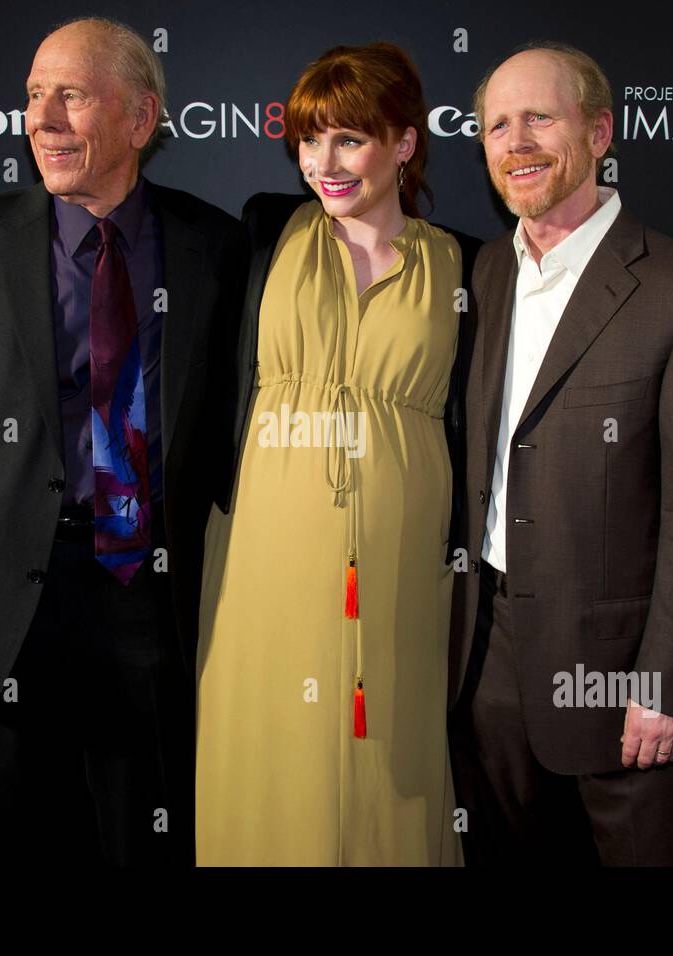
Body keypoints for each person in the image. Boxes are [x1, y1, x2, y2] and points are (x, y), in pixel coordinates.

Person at [0, 16, 243, 866]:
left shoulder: (217, 246)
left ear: (140, 119)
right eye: (32, 97)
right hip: (6, 604)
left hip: (153, 608)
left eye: (70, 96)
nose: (41, 118)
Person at [448, 41, 673, 865]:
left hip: (626, 680)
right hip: (489, 662)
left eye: (540, 119)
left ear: (600, 131)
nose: (516, 143)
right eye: (496, 125)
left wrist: (666, 684)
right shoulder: (480, 276)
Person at [194, 42, 478, 866]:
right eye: (310, 142)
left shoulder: (465, 260)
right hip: (267, 548)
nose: (325, 164)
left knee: (394, 752)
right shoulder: (263, 232)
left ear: (404, 143)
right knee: (274, 748)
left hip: (405, 547)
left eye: (350, 139)